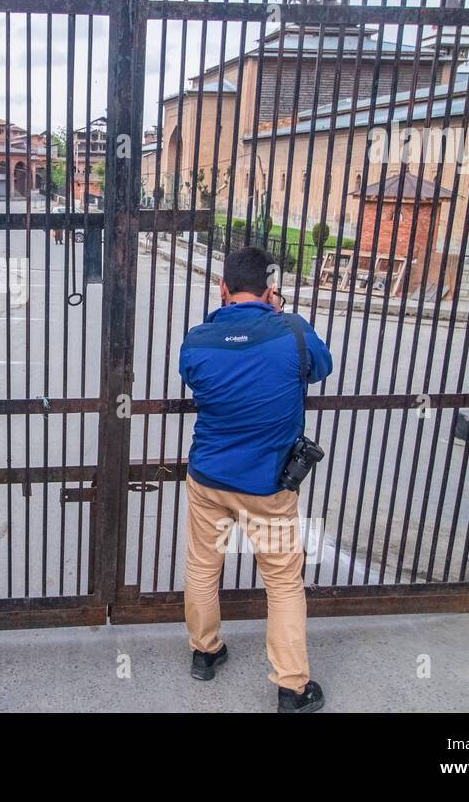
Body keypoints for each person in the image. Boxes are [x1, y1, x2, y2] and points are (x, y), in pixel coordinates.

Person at [177, 246, 333, 713]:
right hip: (268, 484)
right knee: (283, 582)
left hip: (208, 476)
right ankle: (291, 687)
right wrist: (281, 315)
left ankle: (204, 654)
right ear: (271, 292)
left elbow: (194, 377)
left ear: (223, 289)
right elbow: (320, 368)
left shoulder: (197, 339)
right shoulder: (292, 331)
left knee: (203, 566)